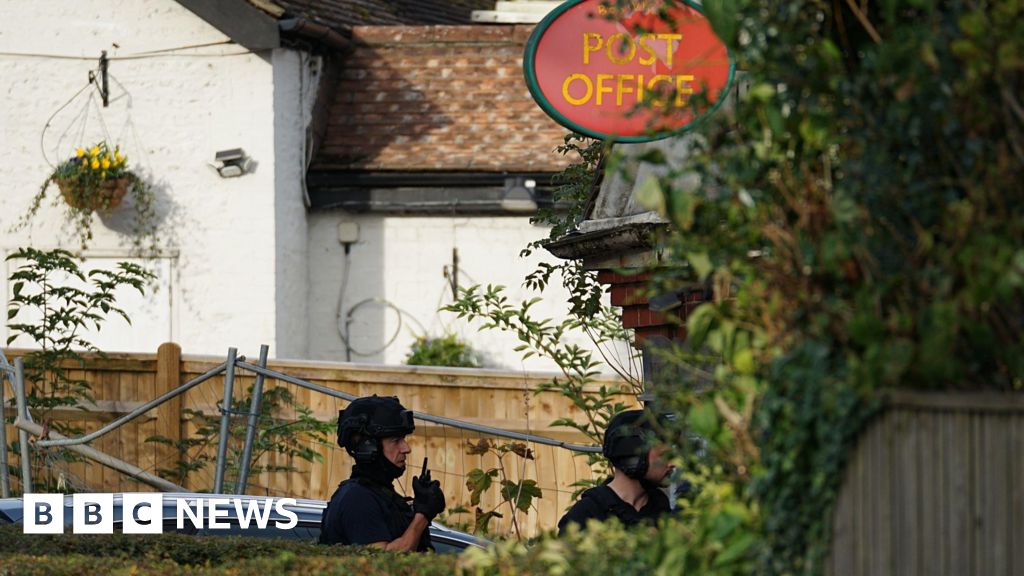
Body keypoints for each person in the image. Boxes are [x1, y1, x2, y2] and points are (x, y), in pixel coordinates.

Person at [319, 395, 446, 551]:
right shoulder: (357, 498)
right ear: (368, 446)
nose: (406, 448)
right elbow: (382, 560)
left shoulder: (379, 494)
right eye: (396, 440)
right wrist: (422, 516)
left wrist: (417, 506)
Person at [557, 409, 674, 535]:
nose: (673, 463)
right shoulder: (587, 515)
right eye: (665, 455)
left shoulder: (659, 507)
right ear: (633, 456)